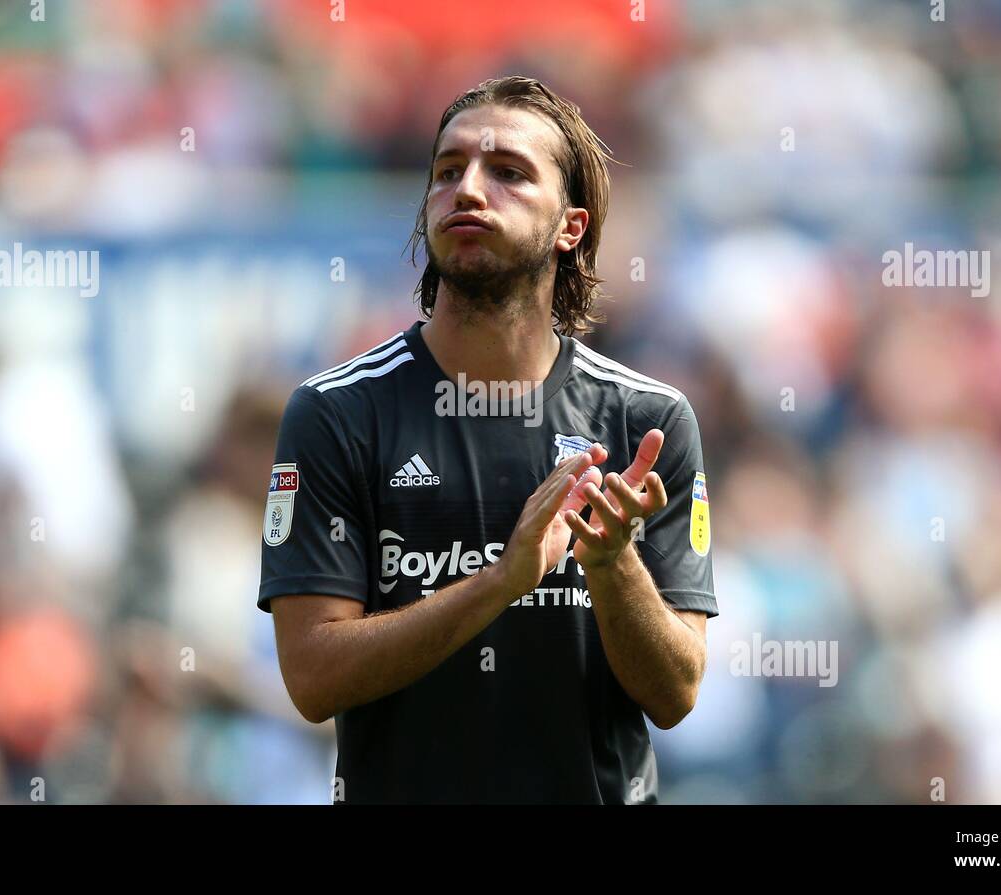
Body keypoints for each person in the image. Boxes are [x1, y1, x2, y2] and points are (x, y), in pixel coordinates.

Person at [257, 76, 717, 804]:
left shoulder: (645, 420)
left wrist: (611, 561)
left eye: (507, 173)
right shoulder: (336, 412)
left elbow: (676, 692)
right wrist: (503, 580)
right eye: (447, 171)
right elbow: (312, 677)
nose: (467, 188)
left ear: (571, 226)